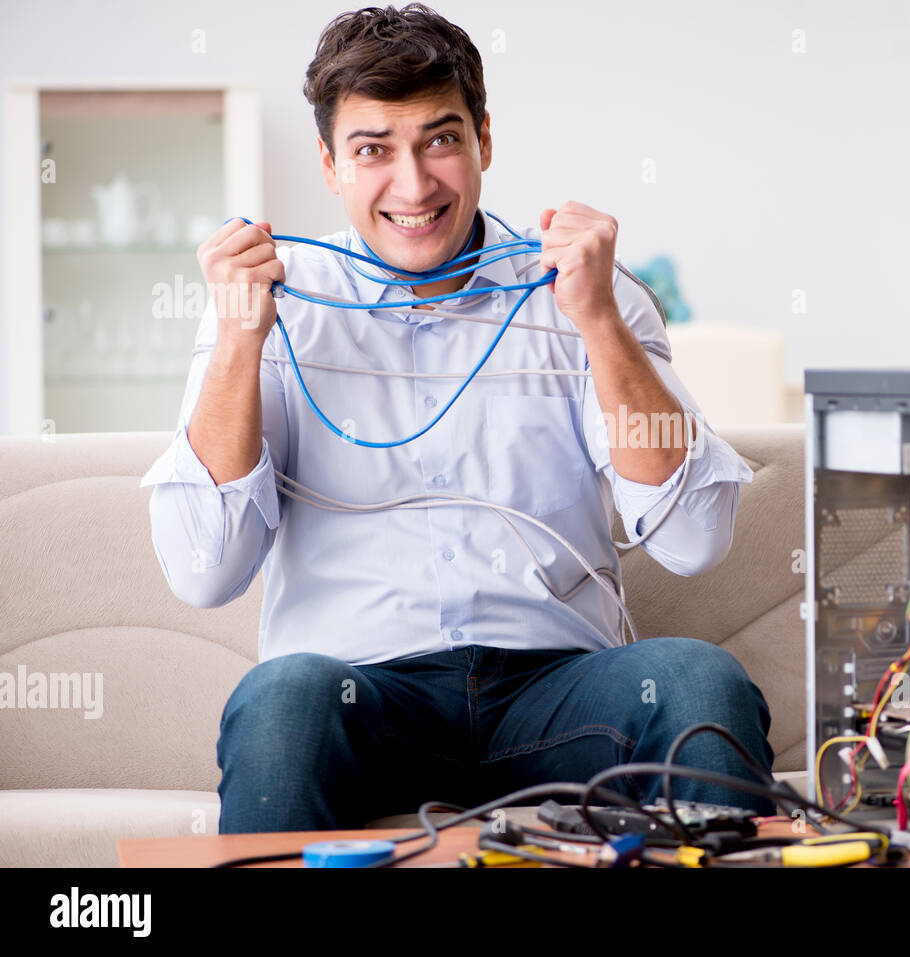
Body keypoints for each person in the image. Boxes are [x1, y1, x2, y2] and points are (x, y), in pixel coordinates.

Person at [140, 2, 776, 834]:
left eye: (439, 140)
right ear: (330, 166)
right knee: (284, 697)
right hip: (358, 695)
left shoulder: (590, 293)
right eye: (373, 150)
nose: (413, 185)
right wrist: (236, 343)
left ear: (483, 139)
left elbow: (692, 541)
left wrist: (599, 324)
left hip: (557, 695)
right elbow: (202, 569)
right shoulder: (269, 309)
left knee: (698, 680)